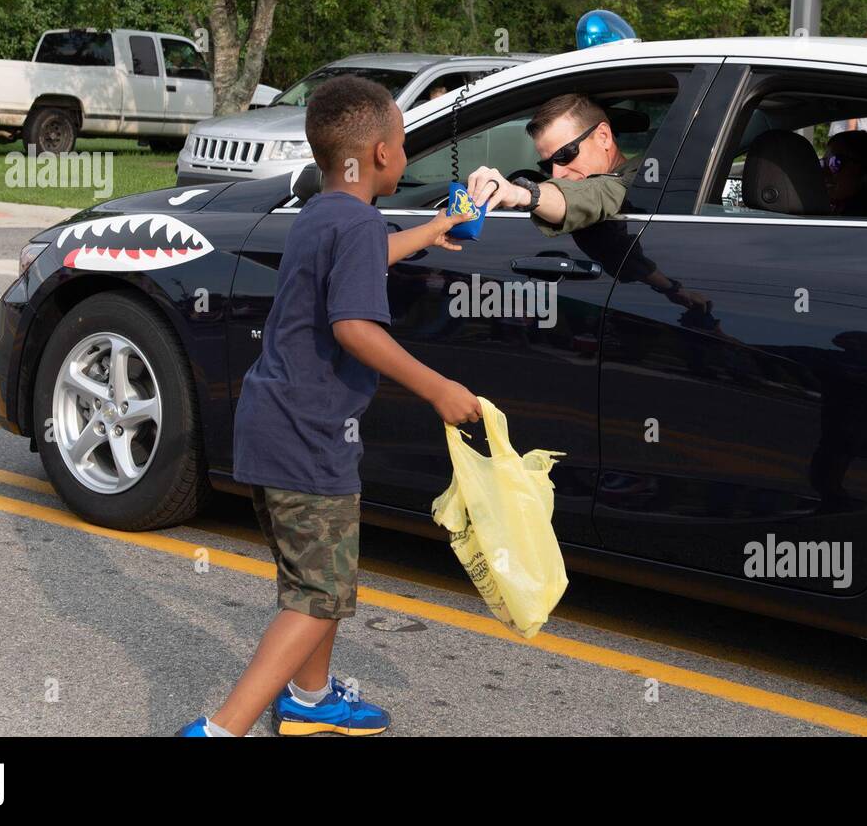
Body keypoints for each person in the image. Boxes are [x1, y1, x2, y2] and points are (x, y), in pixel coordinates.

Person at [179, 75, 481, 737]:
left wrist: (433, 229)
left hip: (275, 424)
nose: (405, 156)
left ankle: (311, 703)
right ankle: (221, 729)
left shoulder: (326, 211)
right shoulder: (354, 222)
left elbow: (364, 256)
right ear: (378, 155)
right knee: (319, 595)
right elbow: (354, 326)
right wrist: (438, 389)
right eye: (402, 144)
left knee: (318, 581)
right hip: (307, 436)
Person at [464, 93, 635, 235]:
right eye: (548, 164)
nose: (557, 174)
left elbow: (597, 193)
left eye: (565, 154)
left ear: (603, 136)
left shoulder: (640, 177)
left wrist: (520, 194)